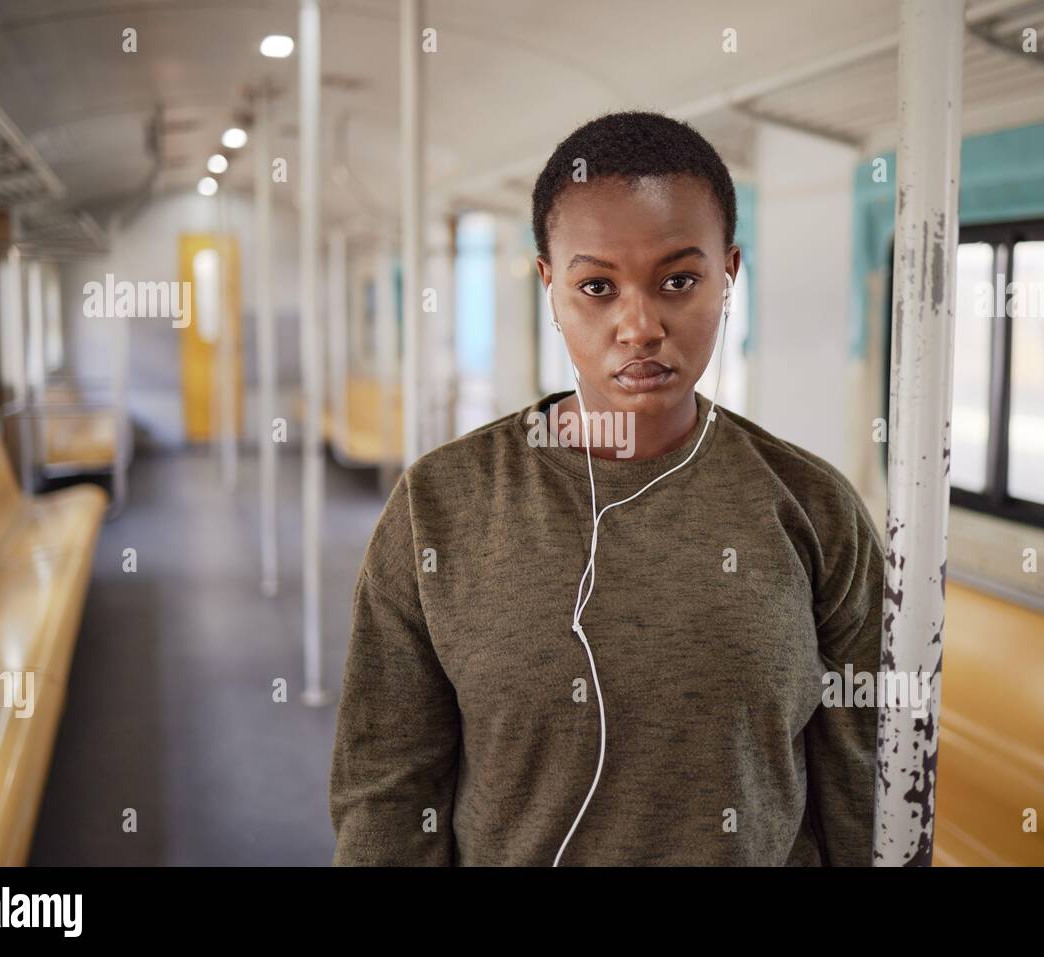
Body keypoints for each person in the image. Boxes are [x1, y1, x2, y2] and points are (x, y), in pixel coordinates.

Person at [329, 110, 884, 866]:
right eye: (597, 286)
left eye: (679, 280)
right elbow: (386, 789)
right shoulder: (440, 508)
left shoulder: (817, 513)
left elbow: (866, 795)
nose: (640, 325)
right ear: (550, 288)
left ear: (730, 276)